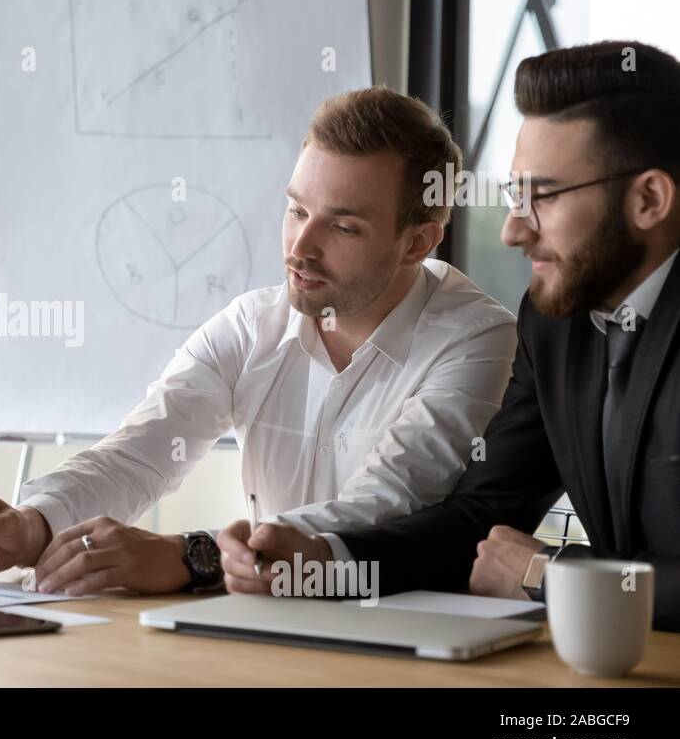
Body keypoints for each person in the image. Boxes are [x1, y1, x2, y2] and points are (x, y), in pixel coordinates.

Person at [0, 87, 517, 597]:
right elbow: (139, 452)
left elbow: (387, 502)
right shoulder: (252, 326)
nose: (300, 247)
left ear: (418, 243)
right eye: (296, 210)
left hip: (405, 632)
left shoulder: (476, 339)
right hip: (264, 625)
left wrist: (191, 556)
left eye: (342, 227)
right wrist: (32, 523)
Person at [235, 42, 680, 632]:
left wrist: (553, 575)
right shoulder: (556, 326)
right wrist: (326, 562)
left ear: (648, 199)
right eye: (513, 196)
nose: (513, 230)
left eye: (540, 197)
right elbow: (481, 514)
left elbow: (536, 567)